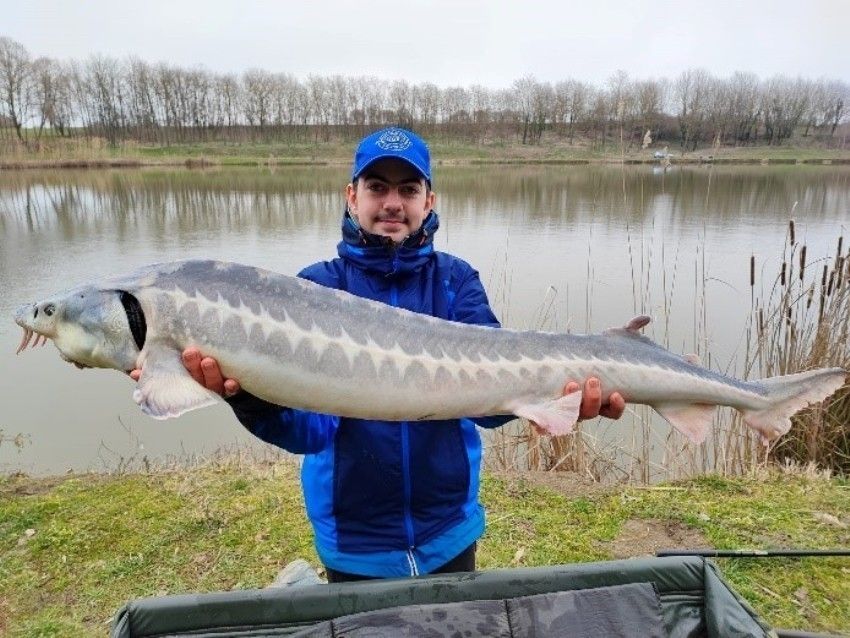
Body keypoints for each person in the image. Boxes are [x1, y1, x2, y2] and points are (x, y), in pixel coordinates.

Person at [140, 127, 625, 581]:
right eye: (377, 187)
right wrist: (249, 398)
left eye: (408, 189)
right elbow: (309, 430)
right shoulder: (314, 290)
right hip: (355, 542)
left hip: (448, 531)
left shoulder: (455, 281)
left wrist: (553, 399)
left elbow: (489, 404)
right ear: (352, 196)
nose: (393, 203)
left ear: (428, 200)